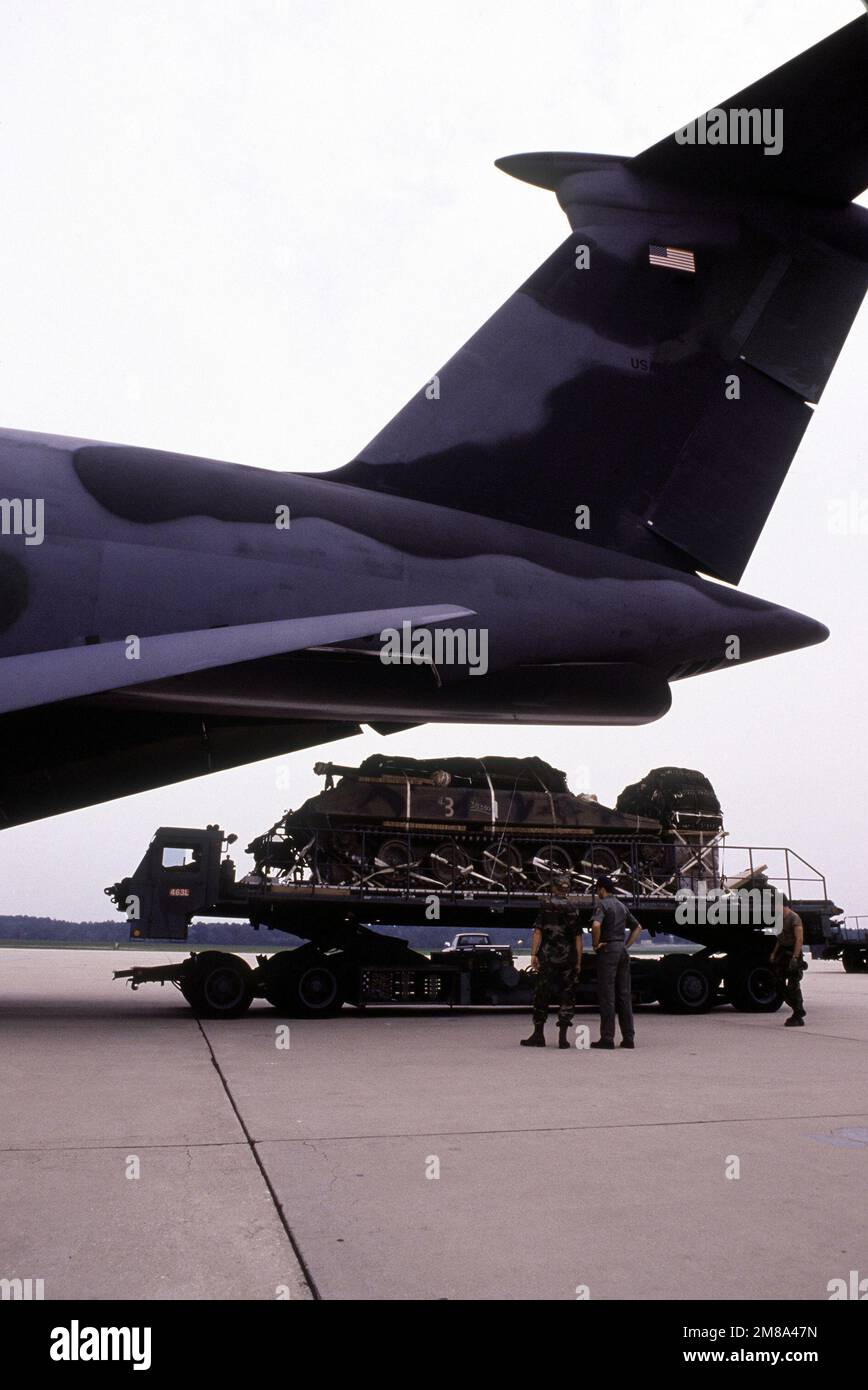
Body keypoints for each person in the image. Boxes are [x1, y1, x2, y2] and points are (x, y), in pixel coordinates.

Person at [521, 874, 582, 1049]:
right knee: (567, 994)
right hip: (568, 957)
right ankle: (563, 1038)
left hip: (547, 957)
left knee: (542, 994)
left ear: (554, 888)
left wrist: (533, 954)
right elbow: (578, 937)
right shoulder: (573, 908)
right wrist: (578, 961)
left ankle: (538, 1035)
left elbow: (538, 932)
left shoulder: (546, 905)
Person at [590, 876, 641, 1049]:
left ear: (602, 889)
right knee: (624, 995)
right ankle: (628, 1037)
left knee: (607, 995)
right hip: (622, 951)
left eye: (597, 890)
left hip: (608, 951)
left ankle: (607, 1038)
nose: (597, 893)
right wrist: (626, 945)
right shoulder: (622, 906)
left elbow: (596, 925)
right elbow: (637, 927)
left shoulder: (603, 905)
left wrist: (596, 944)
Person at [770, 896, 806, 1026]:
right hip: (783, 953)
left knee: (793, 985)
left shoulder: (794, 918)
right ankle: (797, 1008)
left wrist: (795, 958)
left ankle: (798, 1013)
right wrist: (774, 954)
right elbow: (780, 939)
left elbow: (799, 940)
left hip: (793, 953)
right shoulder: (780, 919)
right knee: (778, 984)